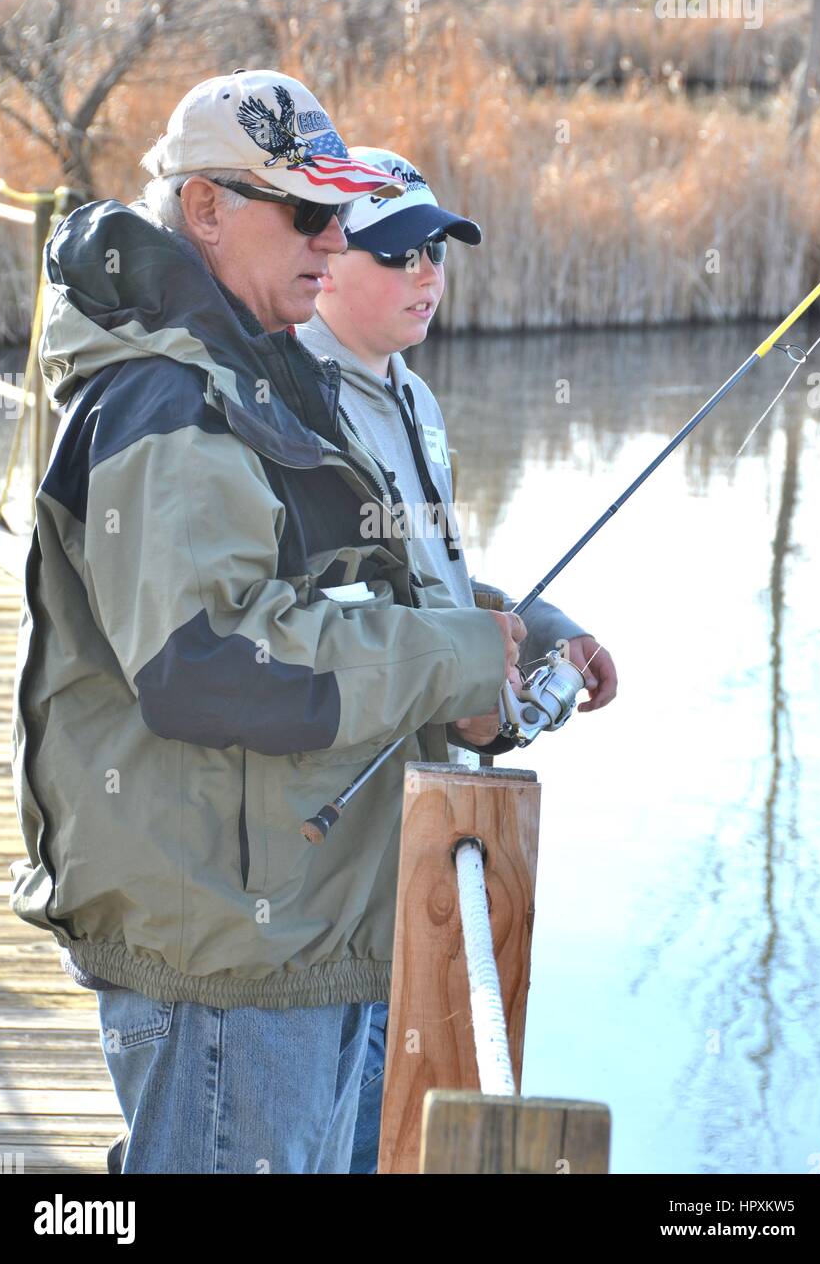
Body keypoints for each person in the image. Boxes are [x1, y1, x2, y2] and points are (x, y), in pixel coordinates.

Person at [8, 70, 530, 1175]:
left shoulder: (251, 368)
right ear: (205, 209)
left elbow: (324, 587)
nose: (334, 239)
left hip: (280, 922)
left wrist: (494, 632)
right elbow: (213, 663)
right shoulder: (171, 398)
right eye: (305, 212)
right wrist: (452, 660)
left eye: (342, 214)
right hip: (226, 942)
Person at [297, 148, 619, 1172]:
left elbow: (431, 585)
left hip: (410, 828)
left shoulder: (412, 398)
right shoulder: (292, 406)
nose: (426, 274)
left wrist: (547, 626)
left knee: (375, 1118)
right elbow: (325, 624)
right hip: (321, 857)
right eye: (398, 253)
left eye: (435, 249)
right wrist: (467, 687)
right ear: (327, 258)